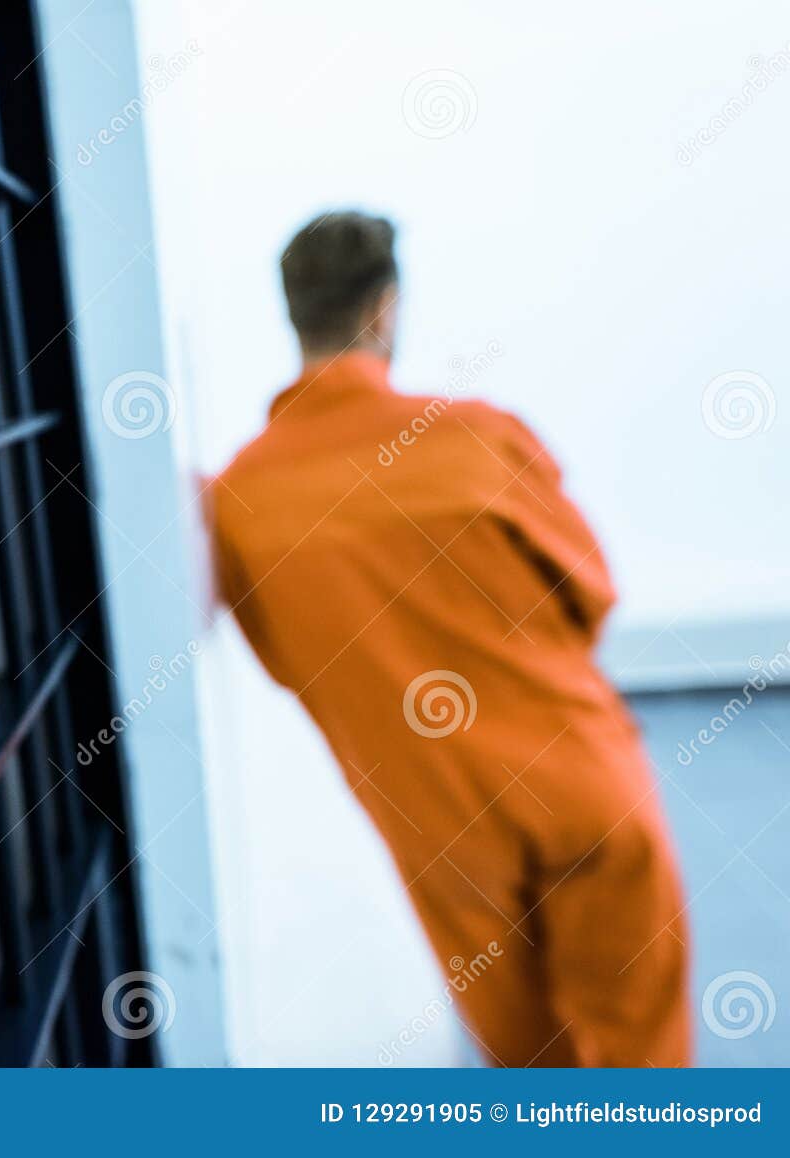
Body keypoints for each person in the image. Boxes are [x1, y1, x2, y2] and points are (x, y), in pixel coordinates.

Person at [207, 210, 690, 1066]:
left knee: (532, 1068)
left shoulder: (239, 499)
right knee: (639, 1067)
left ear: (293, 313)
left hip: (441, 829)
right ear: (384, 309)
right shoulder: (476, 436)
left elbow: (288, 663)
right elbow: (591, 594)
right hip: (580, 782)